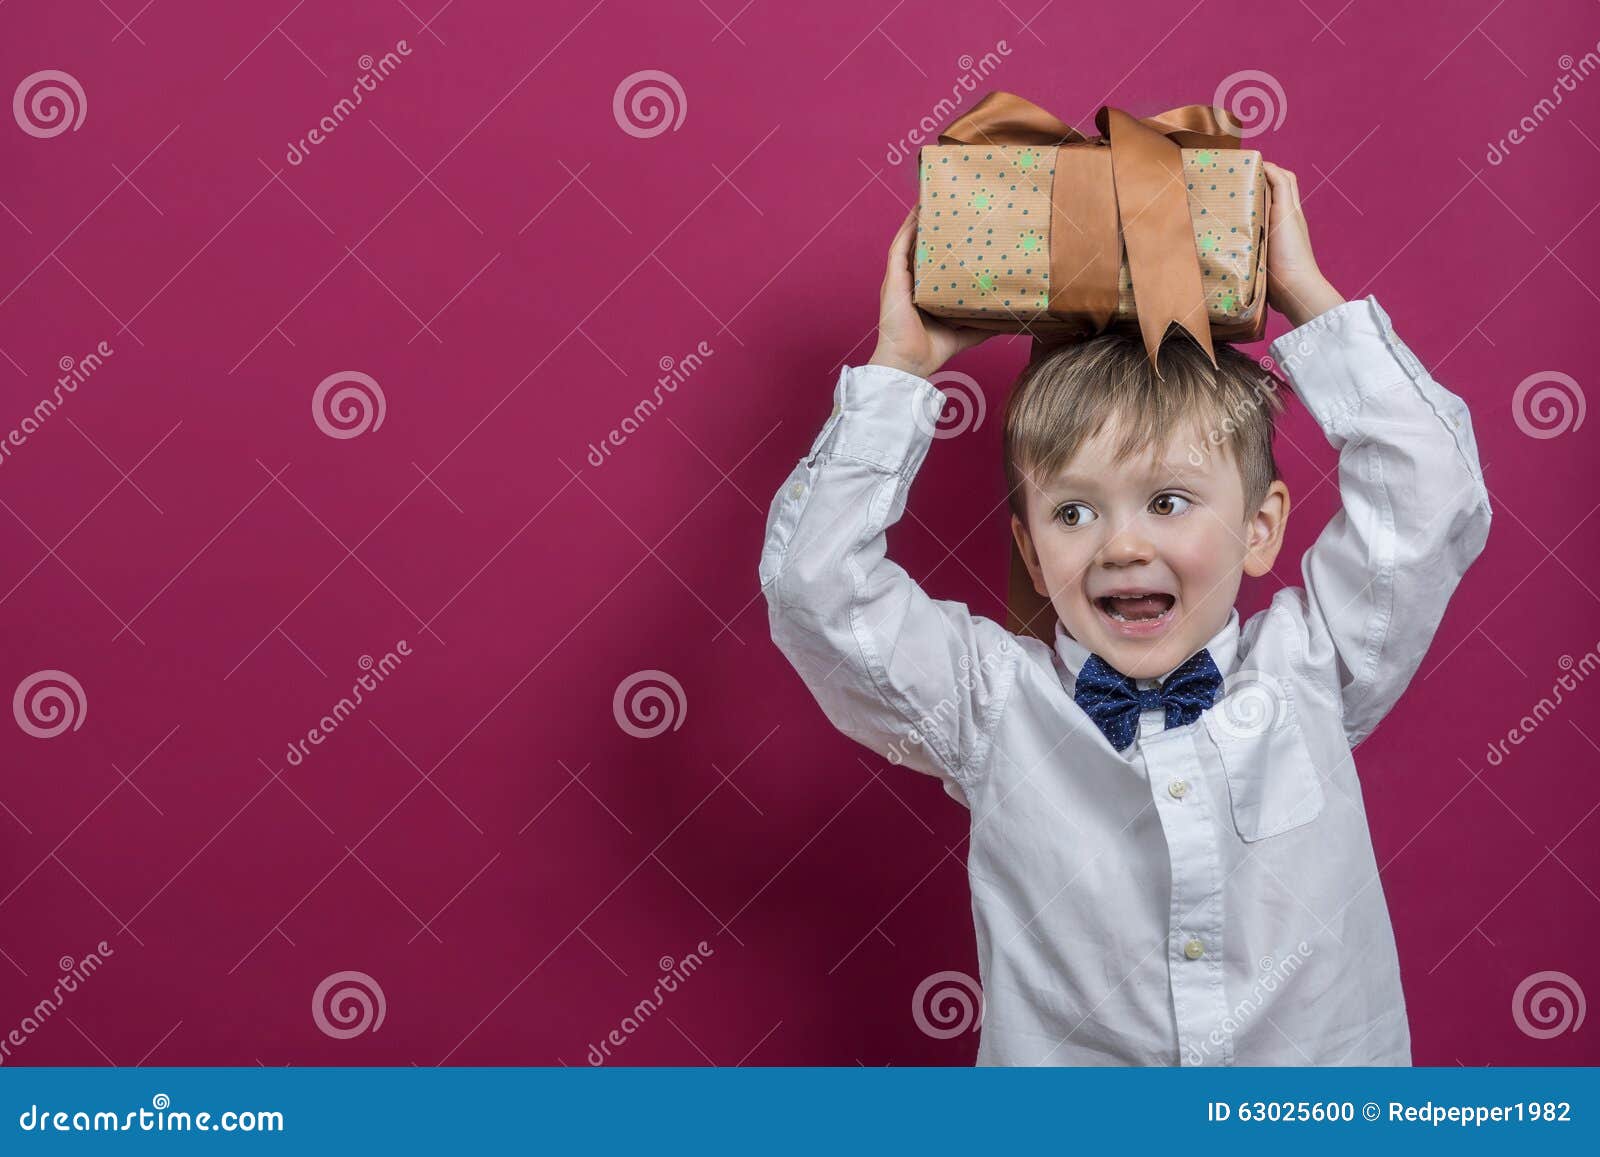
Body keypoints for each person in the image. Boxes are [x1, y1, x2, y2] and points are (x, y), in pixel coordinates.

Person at [758, 162, 1493, 1065]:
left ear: (1260, 530)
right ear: (1031, 551)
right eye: (1073, 512)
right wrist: (900, 374)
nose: (1120, 546)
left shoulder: (1318, 664)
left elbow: (1433, 495)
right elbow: (815, 589)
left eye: (1170, 502)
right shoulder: (988, 703)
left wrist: (1309, 300)